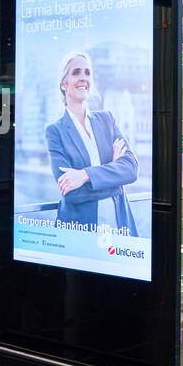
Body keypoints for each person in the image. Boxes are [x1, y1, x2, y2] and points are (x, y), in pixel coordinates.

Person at [44, 51, 139, 236]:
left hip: (118, 225)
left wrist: (85, 175)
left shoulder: (107, 120)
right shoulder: (55, 132)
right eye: (76, 72)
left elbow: (131, 169)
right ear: (63, 83)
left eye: (87, 73)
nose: (83, 78)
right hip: (80, 231)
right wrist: (113, 175)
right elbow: (72, 193)